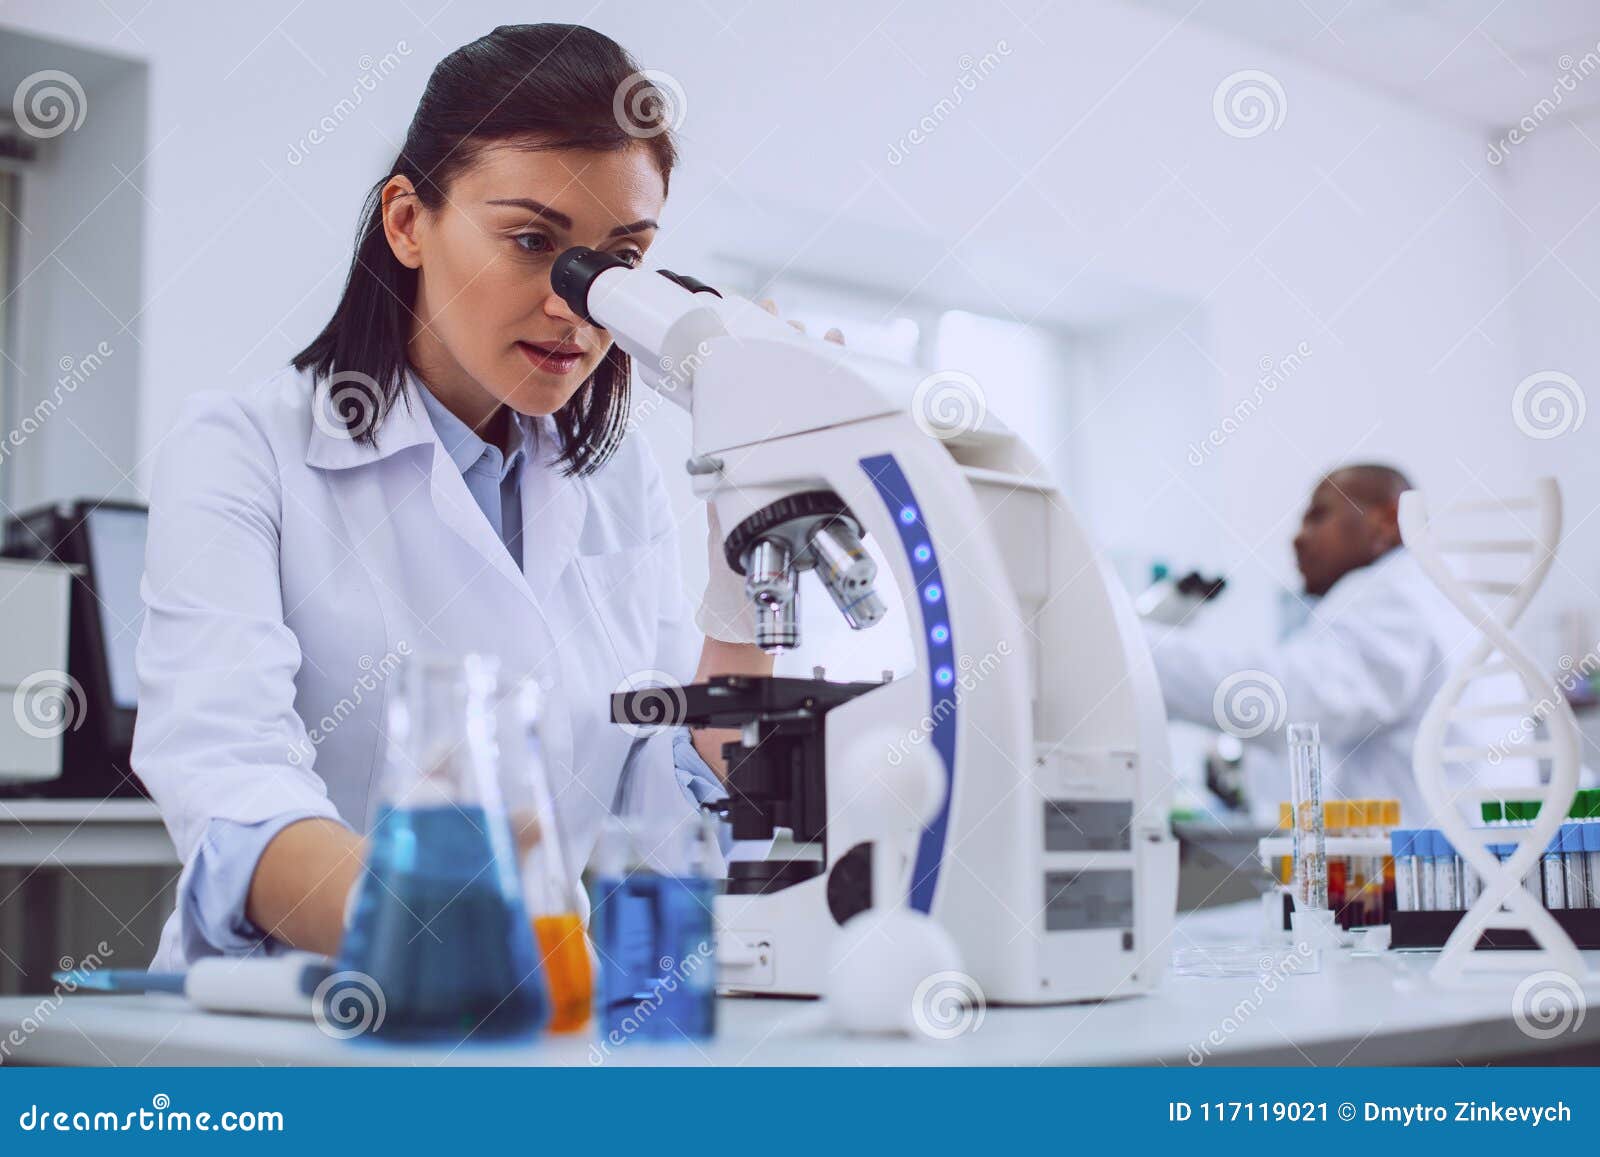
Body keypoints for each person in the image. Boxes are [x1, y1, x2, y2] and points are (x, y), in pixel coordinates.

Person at [134, 25, 767, 969]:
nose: (577, 305)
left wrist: (746, 541)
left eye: (619, 262)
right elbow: (233, 786)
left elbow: (663, 797)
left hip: (534, 1026)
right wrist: (437, 929)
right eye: (531, 242)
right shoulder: (242, 449)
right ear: (407, 223)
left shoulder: (615, 473)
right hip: (297, 1030)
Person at [1145, 463, 1523, 827]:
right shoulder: (1431, 590)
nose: (1297, 537)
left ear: (1387, 520)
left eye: (1318, 516)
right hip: (1452, 863)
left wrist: (1139, 653)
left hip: (1436, 873)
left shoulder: (1399, 596)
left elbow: (1291, 701)